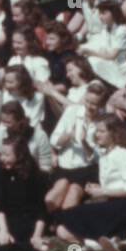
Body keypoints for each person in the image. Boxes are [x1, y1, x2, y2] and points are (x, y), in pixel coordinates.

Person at [54, 115, 126, 247]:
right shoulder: (105, 154)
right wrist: (98, 188)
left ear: (113, 133)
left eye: (101, 131)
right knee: (61, 229)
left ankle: (99, 244)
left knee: (69, 216)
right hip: (110, 204)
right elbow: (92, 155)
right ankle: (99, 244)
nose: (97, 135)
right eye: (96, 131)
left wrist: (103, 192)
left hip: (124, 207)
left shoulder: (123, 155)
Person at [45, 83, 107, 212]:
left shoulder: (104, 121)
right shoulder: (72, 111)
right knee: (51, 198)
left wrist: (84, 142)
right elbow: (53, 140)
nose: (89, 106)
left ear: (101, 105)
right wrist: (68, 135)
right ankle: (56, 223)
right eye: (87, 101)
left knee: (70, 201)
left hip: (85, 169)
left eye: (94, 104)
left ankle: (62, 226)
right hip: (65, 166)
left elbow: (98, 157)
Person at [78, 0, 126, 88]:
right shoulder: (106, 28)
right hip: (108, 59)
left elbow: (112, 55)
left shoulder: (122, 30)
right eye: (100, 13)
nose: (101, 16)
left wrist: (90, 52)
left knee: (93, 61)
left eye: (104, 13)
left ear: (114, 13)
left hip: (120, 65)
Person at [0, 101, 53, 173]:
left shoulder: (39, 136)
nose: (4, 126)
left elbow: (46, 164)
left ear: (20, 120)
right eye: (3, 121)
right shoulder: (1, 134)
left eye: (8, 122)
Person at [1, 65, 45, 129]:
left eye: (10, 82)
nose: (7, 85)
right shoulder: (5, 95)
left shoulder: (37, 97)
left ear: (22, 82)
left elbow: (33, 122)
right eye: (5, 81)